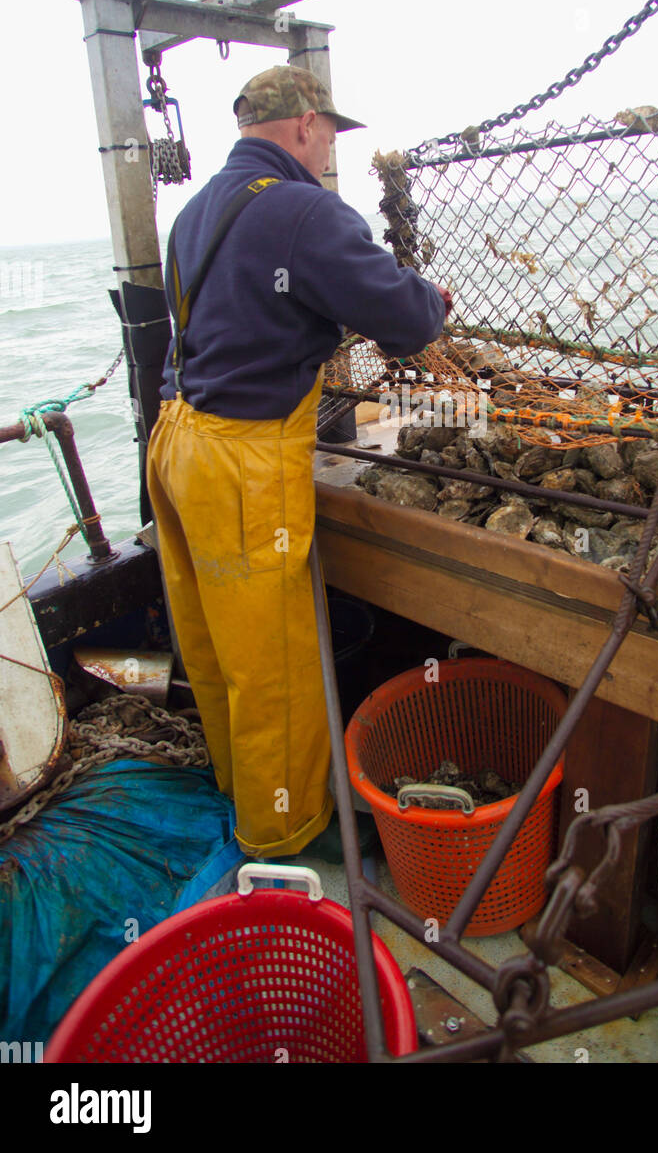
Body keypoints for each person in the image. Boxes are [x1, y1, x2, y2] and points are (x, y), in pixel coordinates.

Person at [146, 64, 450, 858]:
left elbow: (238, 318)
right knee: (274, 666)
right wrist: (431, 302)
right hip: (242, 464)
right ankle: (285, 837)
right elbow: (403, 315)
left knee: (216, 645)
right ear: (306, 125)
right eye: (327, 139)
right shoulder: (303, 211)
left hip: (175, 443)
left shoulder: (194, 211)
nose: (327, 154)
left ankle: (234, 784)